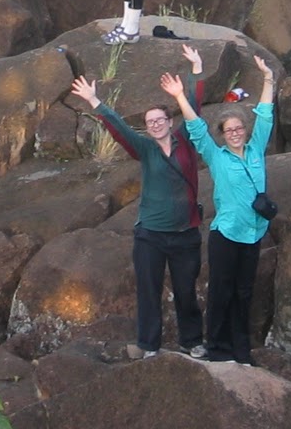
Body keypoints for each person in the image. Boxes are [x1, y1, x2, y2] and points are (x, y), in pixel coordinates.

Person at [69, 45, 207, 360]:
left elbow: (194, 108)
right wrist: (94, 101)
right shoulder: (144, 148)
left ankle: (192, 341)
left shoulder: (186, 142)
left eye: (160, 119)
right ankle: (149, 346)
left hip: (186, 232)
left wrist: (196, 70)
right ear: (146, 127)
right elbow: (118, 129)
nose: (156, 124)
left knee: (187, 291)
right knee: (149, 292)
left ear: (170, 121)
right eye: (150, 121)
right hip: (151, 235)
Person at [160, 54, 275, 365]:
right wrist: (180, 96)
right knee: (221, 293)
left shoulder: (255, 149)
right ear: (222, 135)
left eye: (239, 127)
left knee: (244, 293)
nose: (235, 132)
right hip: (226, 234)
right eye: (229, 129)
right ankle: (218, 349)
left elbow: (265, 115)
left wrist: (267, 78)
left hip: (253, 234)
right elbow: (196, 129)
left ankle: (241, 351)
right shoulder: (217, 156)